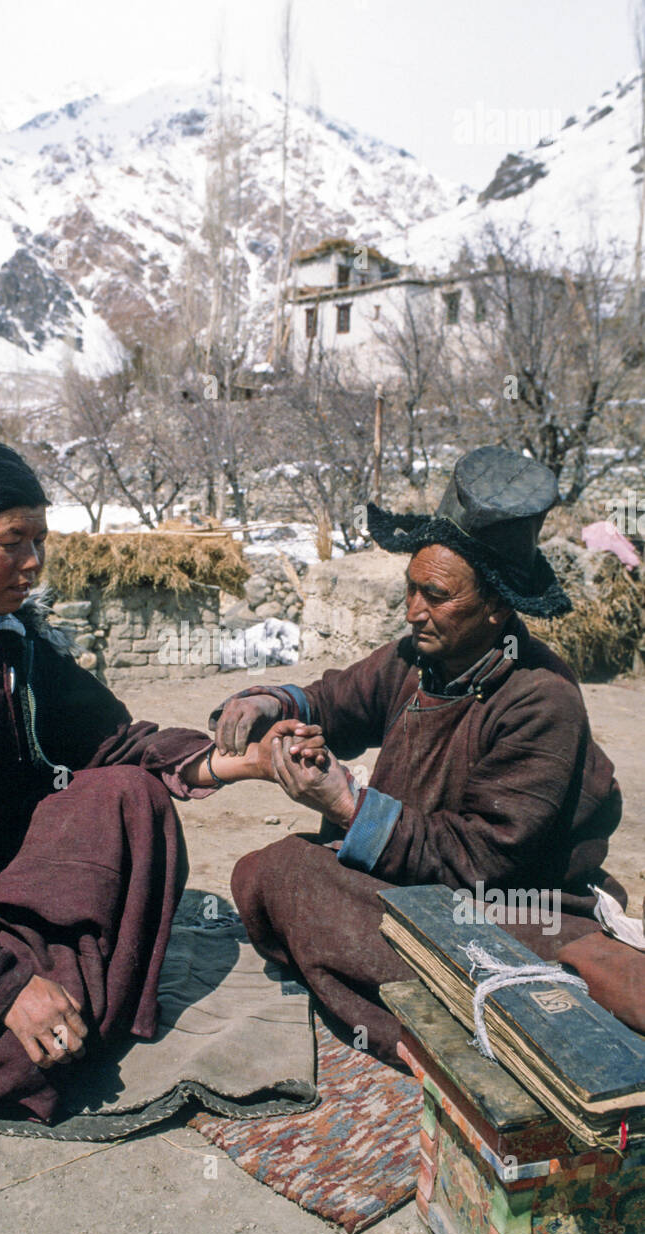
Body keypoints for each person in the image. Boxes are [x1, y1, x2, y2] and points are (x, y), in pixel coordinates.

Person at [0, 439, 322, 1121]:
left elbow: (112, 742)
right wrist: (3, 990)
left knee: (129, 794)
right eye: (13, 542)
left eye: (40, 541)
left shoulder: (8, 640)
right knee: (21, 1064)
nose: (32, 564)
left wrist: (251, 760)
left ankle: (61, 1001)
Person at [212, 448, 630, 1065]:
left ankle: (441, 1031)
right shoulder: (417, 658)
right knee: (265, 873)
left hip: (508, 903)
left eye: (434, 596)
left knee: (295, 881)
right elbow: (338, 700)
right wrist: (272, 702)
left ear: (496, 606)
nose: (413, 611)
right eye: (410, 588)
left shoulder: (543, 699)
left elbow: (479, 859)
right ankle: (407, 984)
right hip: (411, 878)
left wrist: (350, 807)